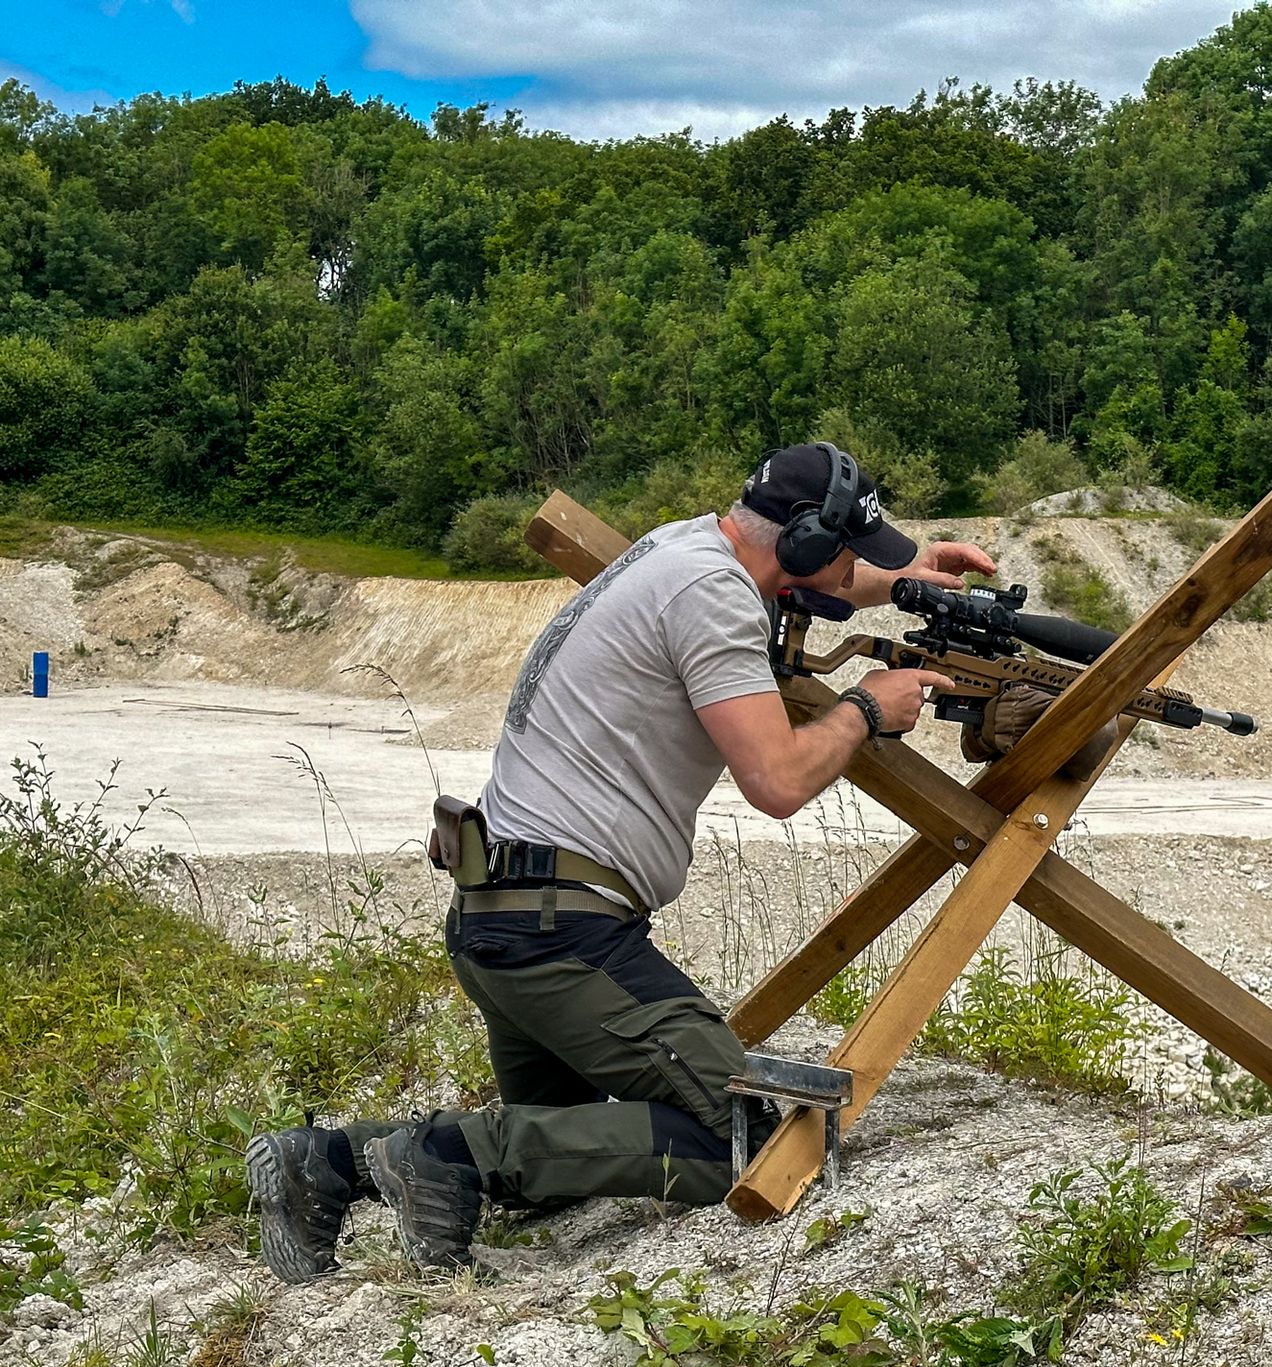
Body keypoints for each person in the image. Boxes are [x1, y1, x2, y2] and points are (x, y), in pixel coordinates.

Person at [245, 442, 995, 1281]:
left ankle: (329, 1161)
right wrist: (864, 708)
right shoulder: (716, 597)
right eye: (848, 551)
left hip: (498, 918)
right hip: (562, 938)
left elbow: (818, 579)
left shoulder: (685, 547)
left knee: (559, 1156)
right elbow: (778, 782)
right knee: (754, 1139)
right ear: (803, 542)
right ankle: (444, 1159)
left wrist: (905, 579)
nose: (854, 567)